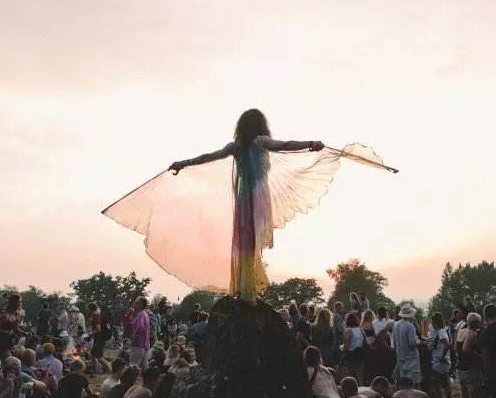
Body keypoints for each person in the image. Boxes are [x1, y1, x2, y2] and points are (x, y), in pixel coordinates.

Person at [165, 109, 326, 301]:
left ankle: (245, 285)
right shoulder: (260, 142)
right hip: (258, 197)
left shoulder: (236, 146)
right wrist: (310, 144)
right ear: (260, 125)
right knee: (250, 242)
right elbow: (284, 145)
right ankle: (248, 287)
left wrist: (183, 163)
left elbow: (209, 156)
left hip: (244, 199)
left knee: (245, 243)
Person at [455, 312, 483, 398]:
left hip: (460, 367)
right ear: (476, 323)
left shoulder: (461, 331)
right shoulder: (472, 333)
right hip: (470, 369)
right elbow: (466, 349)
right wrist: (480, 357)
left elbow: (457, 349)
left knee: (464, 397)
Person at [392, 304, 421, 385]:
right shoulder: (410, 326)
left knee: (403, 381)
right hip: (411, 358)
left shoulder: (396, 324)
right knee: (413, 382)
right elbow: (412, 343)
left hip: (400, 356)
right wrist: (419, 341)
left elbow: (394, 341)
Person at [427, 312, 451, 398]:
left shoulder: (441, 332)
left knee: (437, 385)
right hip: (440, 361)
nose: (430, 323)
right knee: (445, 384)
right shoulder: (437, 331)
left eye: (432, 321)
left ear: (435, 322)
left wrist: (442, 356)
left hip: (440, 362)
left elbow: (447, 344)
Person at [0, 295, 23, 361]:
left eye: (21, 302)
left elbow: (15, 328)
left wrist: (22, 332)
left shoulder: (17, 315)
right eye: (18, 302)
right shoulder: (4, 316)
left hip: (10, 340)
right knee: (8, 361)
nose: (20, 304)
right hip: (1, 339)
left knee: (7, 362)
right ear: (13, 303)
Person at [342, 313, 366, 383]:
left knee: (350, 375)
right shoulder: (361, 330)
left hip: (351, 354)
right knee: (360, 375)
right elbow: (365, 342)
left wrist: (343, 355)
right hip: (360, 354)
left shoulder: (347, 331)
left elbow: (346, 346)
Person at [130, 297, 151, 370]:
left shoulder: (140, 315)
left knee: (133, 366)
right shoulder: (145, 314)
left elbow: (140, 326)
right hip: (145, 344)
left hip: (138, 344)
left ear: (141, 305)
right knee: (144, 368)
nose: (135, 304)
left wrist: (133, 336)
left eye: (137, 303)